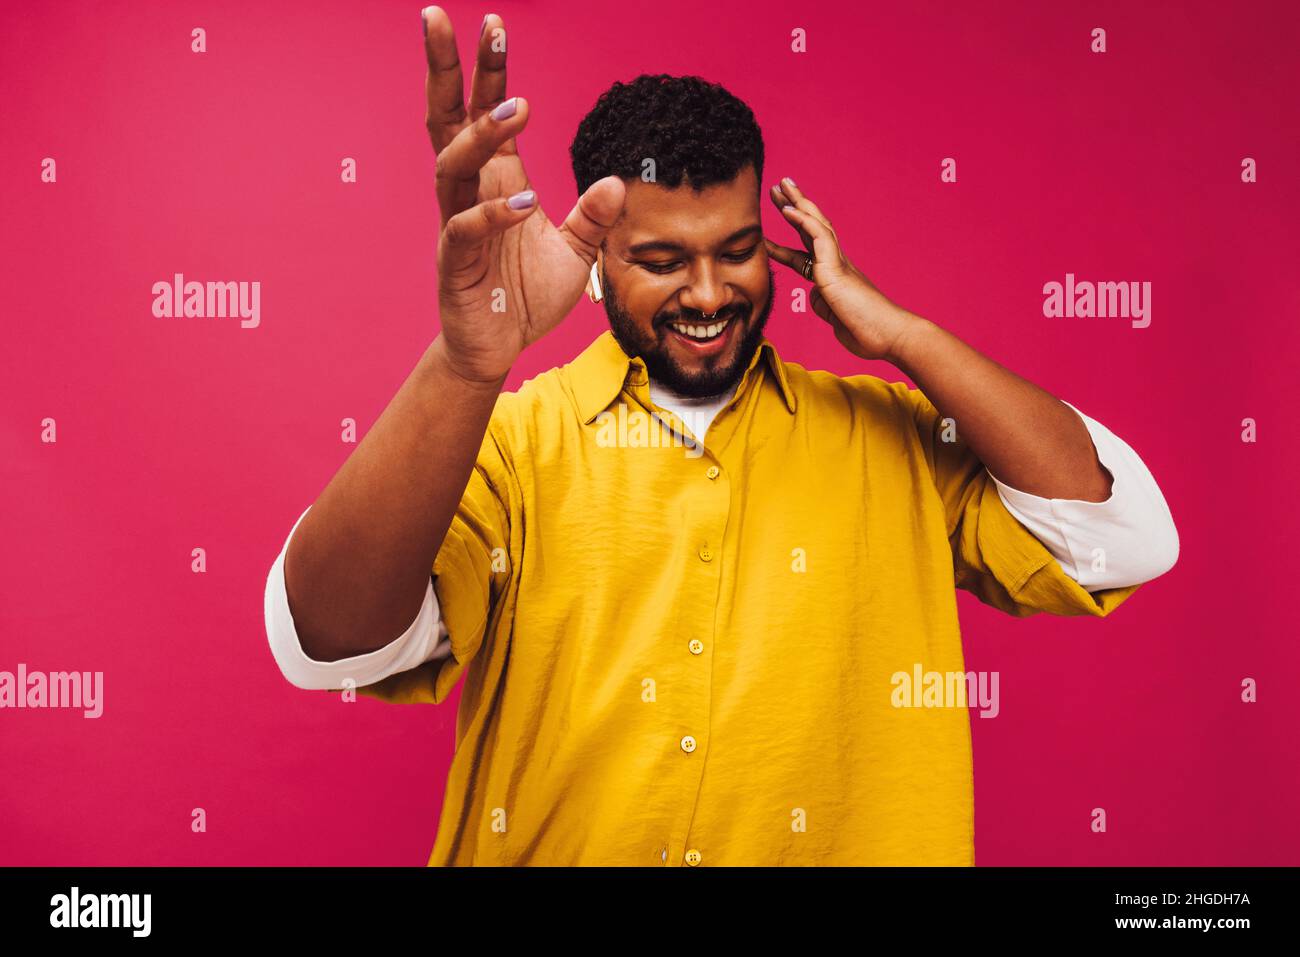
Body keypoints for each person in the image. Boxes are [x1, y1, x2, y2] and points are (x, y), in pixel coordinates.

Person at [263, 8, 1178, 866]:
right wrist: (467, 366)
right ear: (593, 262)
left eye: (734, 250)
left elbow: (1122, 537)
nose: (707, 294)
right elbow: (325, 640)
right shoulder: (508, 444)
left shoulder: (896, 440)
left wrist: (905, 335)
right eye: (661, 262)